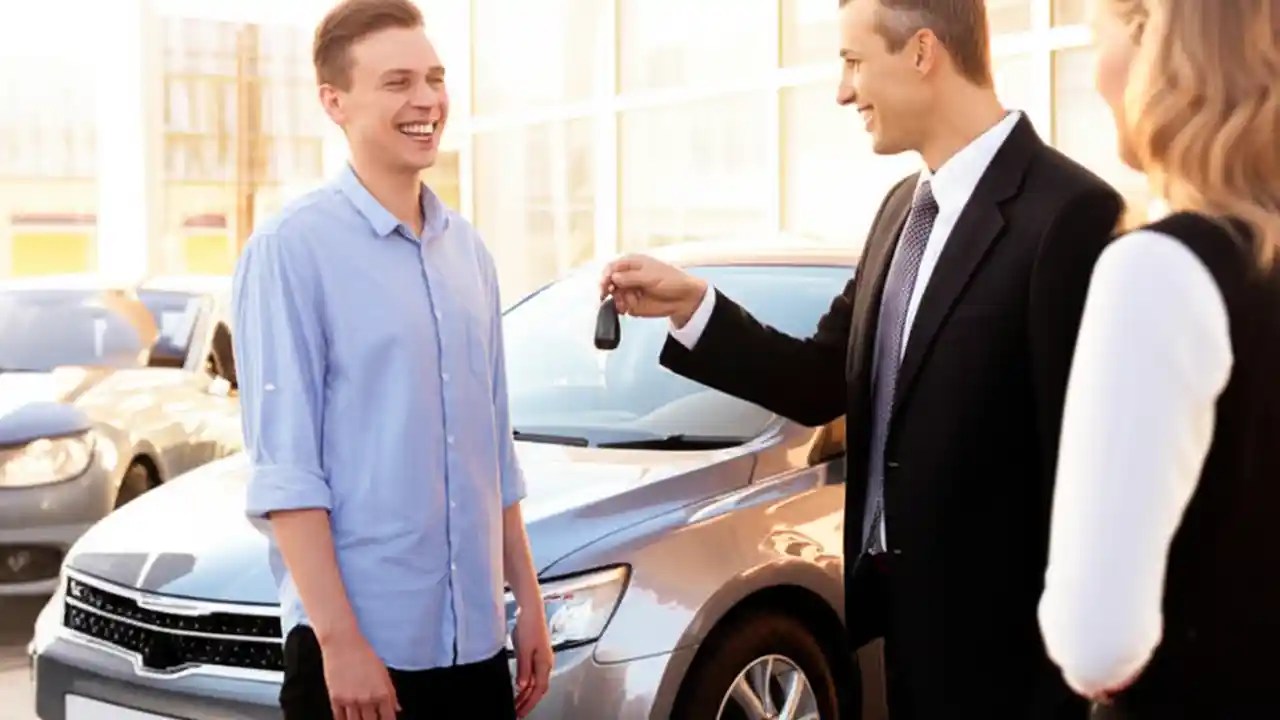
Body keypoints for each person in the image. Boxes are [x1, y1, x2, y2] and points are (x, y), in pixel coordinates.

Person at [599, 0, 1124, 717]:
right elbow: (822, 377)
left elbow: (1089, 479)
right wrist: (695, 307)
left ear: (922, 52)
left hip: (1016, 664)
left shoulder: (1071, 215)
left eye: (852, 62)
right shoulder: (901, 210)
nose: (843, 91)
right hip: (900, 641)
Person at [230, 1, 552, 718]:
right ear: (334, 102)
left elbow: (491, 450)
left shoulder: (469, 252)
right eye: (398, 81)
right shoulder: (292, 251)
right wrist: (341, 644)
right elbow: (287, 474)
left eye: (435, 78)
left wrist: (526, 602)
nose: (427, 101)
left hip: (474, 649)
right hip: (360, 658)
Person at [1036, 1, 1280, 717]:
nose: (1092, 73)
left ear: (1156, 47)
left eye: (1098, 41)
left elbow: (1097, 643)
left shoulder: (1155, 270)